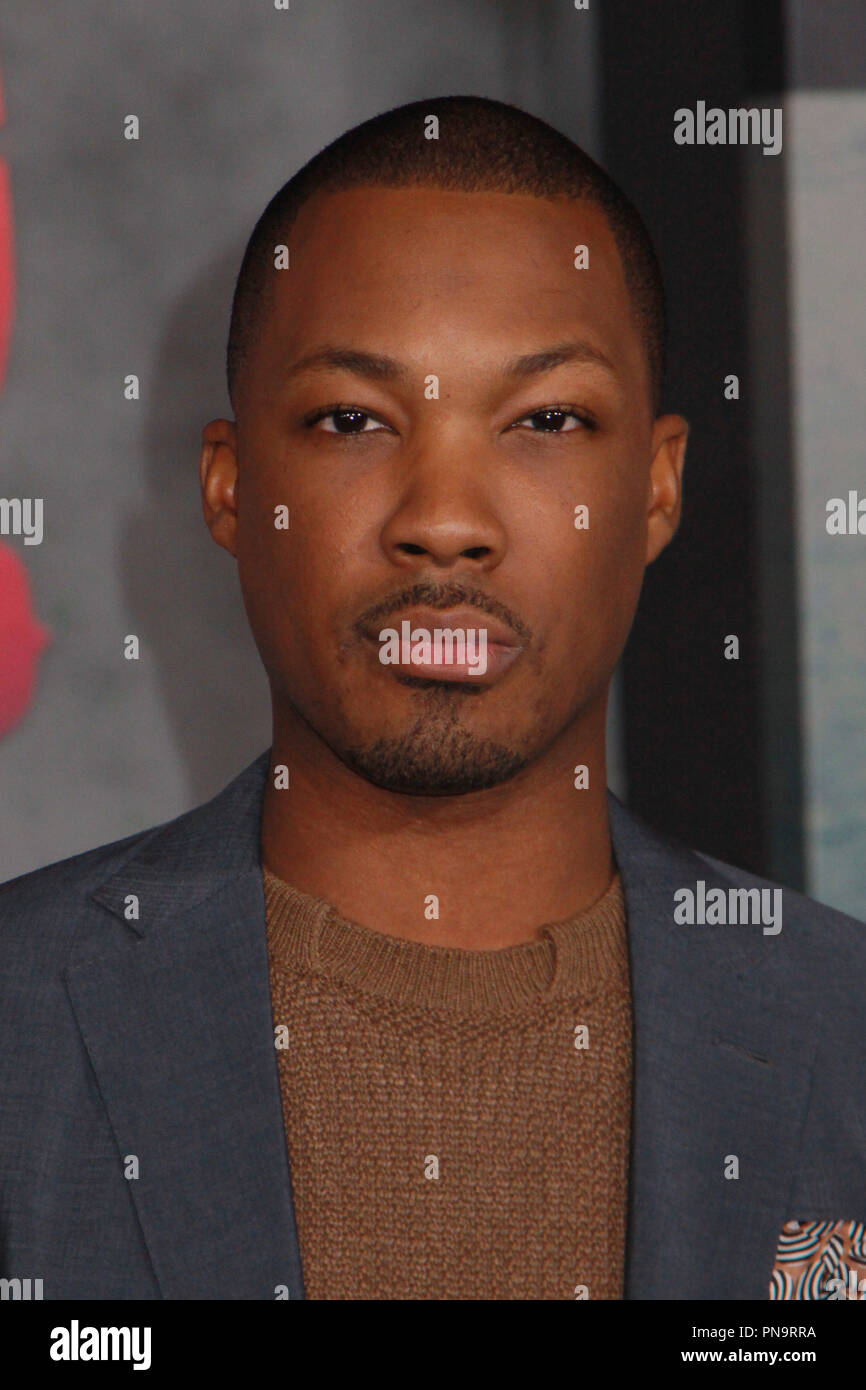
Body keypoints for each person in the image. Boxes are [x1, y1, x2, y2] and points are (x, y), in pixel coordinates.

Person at [1, 96, 863, 1302]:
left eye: (545, 421)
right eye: (352, 420)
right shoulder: (21, 1028)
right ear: (233, 489)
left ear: (656, 488)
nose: (443, 521)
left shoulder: (840, 1028)